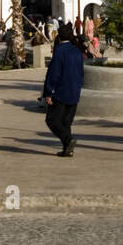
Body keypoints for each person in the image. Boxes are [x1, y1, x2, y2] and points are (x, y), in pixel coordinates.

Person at [42, 23, 86, 157]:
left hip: (61, 92)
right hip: (74, 90)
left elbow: (54, 73)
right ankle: (68, 149)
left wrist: (48, 92)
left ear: (59, 36)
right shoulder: (76, 51)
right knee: (66, 122)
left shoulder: (60, 51)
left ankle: (68, 140)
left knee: (52, 120)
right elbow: (81, 72)